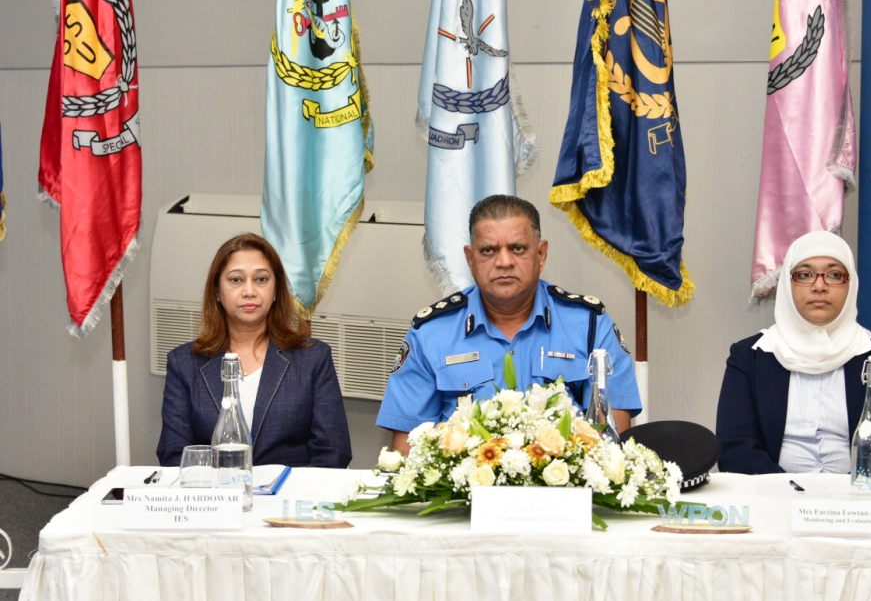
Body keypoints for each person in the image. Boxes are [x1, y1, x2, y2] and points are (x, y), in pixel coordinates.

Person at [377, 195, 641, 455]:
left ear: (541, 254)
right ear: (470, 260)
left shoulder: (590, 325)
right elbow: (407, 453)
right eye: (488, 251)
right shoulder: (430, 334)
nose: (504, 262)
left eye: (518, 248)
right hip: (462, 483)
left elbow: (611, 446)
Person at [716, 231, 871, 475]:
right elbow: (736, 450)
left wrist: (849, 494)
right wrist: (790, 492)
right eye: (805, 275)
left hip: (861, 495)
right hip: (774, 493)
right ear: (787, 284)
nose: (819, 286)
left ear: (851, 284)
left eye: (834, 275)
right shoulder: (749, 356)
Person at [157, 233, 352, 468]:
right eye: (236, 280)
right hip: (214, 490)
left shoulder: (313, 358)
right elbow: (174, 455)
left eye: (261, 279)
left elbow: (333, 452)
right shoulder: (183, 363)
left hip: (291, 489)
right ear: (217, 291)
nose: (249, 291)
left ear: (276, 289)